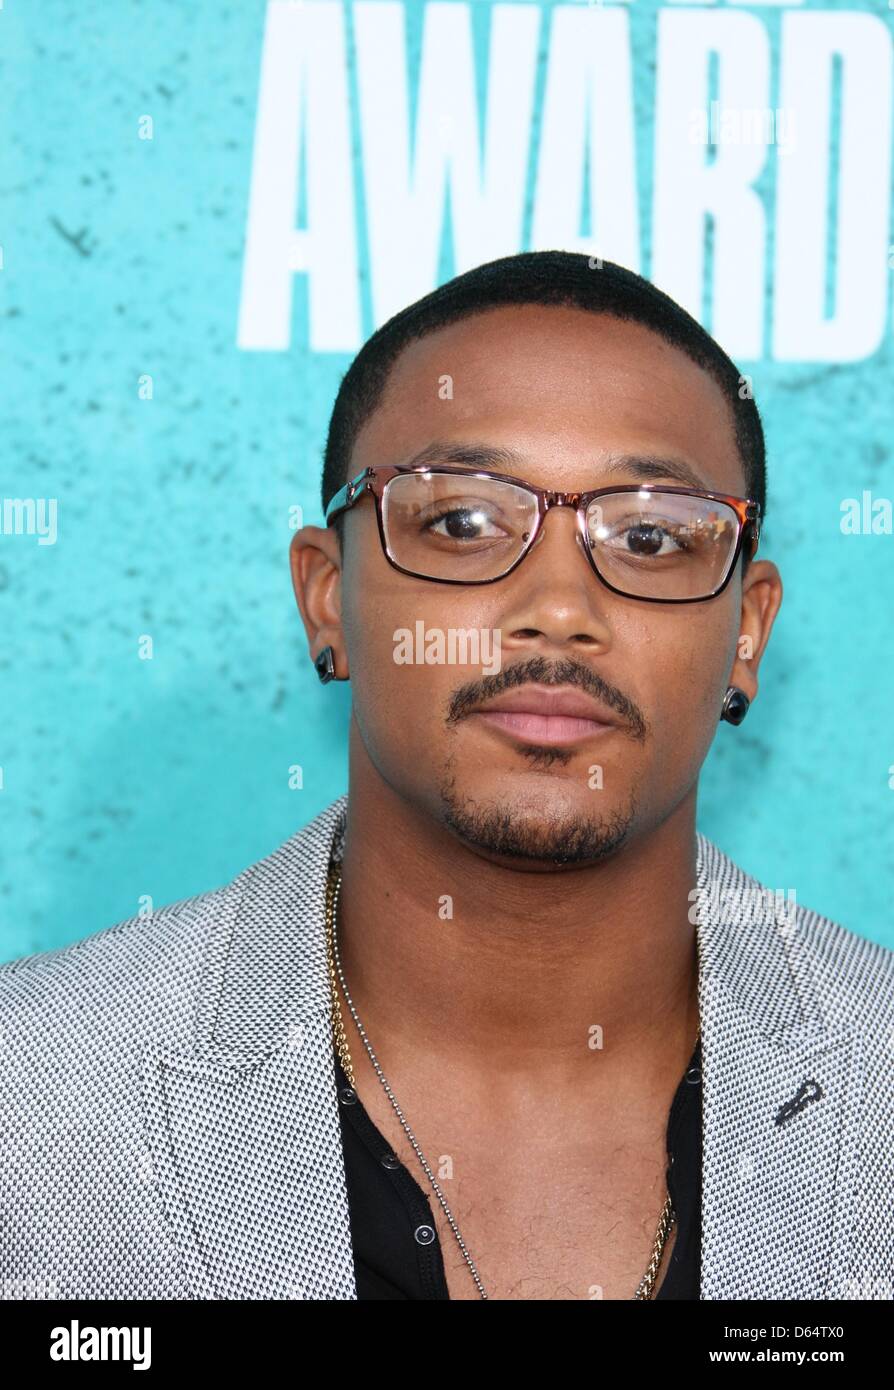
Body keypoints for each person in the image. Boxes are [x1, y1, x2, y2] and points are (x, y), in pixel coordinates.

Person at [1, 253, 891, 1302]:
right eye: (463, 521)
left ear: (746, 631)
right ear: (327, 598)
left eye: (650, 534)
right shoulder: (35, 1098)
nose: (560, 606)